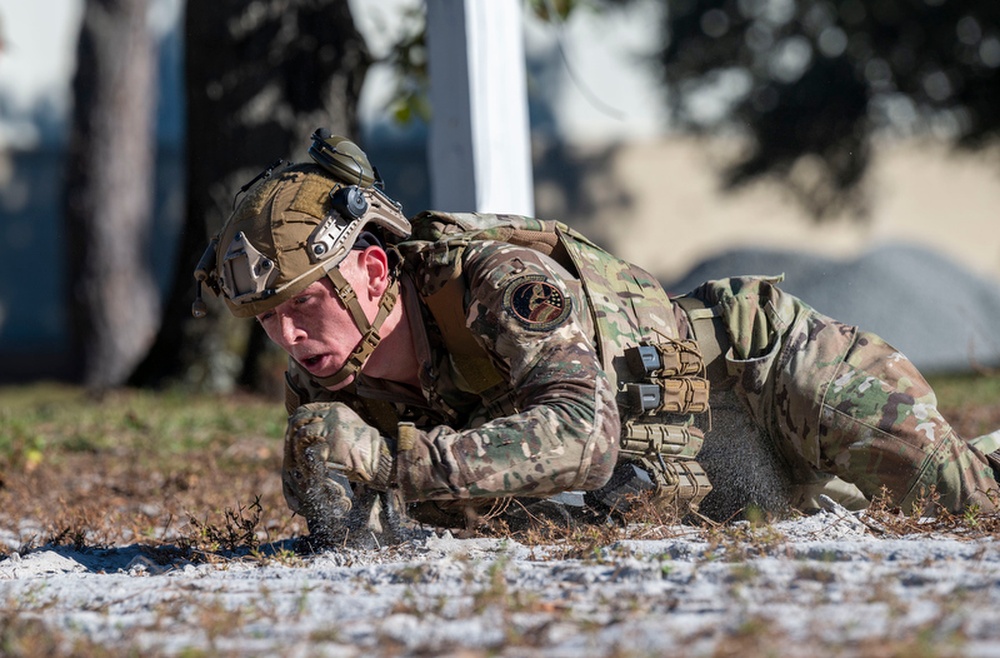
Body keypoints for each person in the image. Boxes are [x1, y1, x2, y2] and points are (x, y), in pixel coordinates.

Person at [194, 130, 1000, 545]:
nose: (289, 335)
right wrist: (327, 492)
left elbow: (582, 437)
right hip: (706, 483)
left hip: (775, 380)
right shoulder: (332, 373)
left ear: (372, 273)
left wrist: (393, 462)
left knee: (969, 505)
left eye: (303, 304)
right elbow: (359, 530)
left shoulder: (498, 284)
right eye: (267, 319)